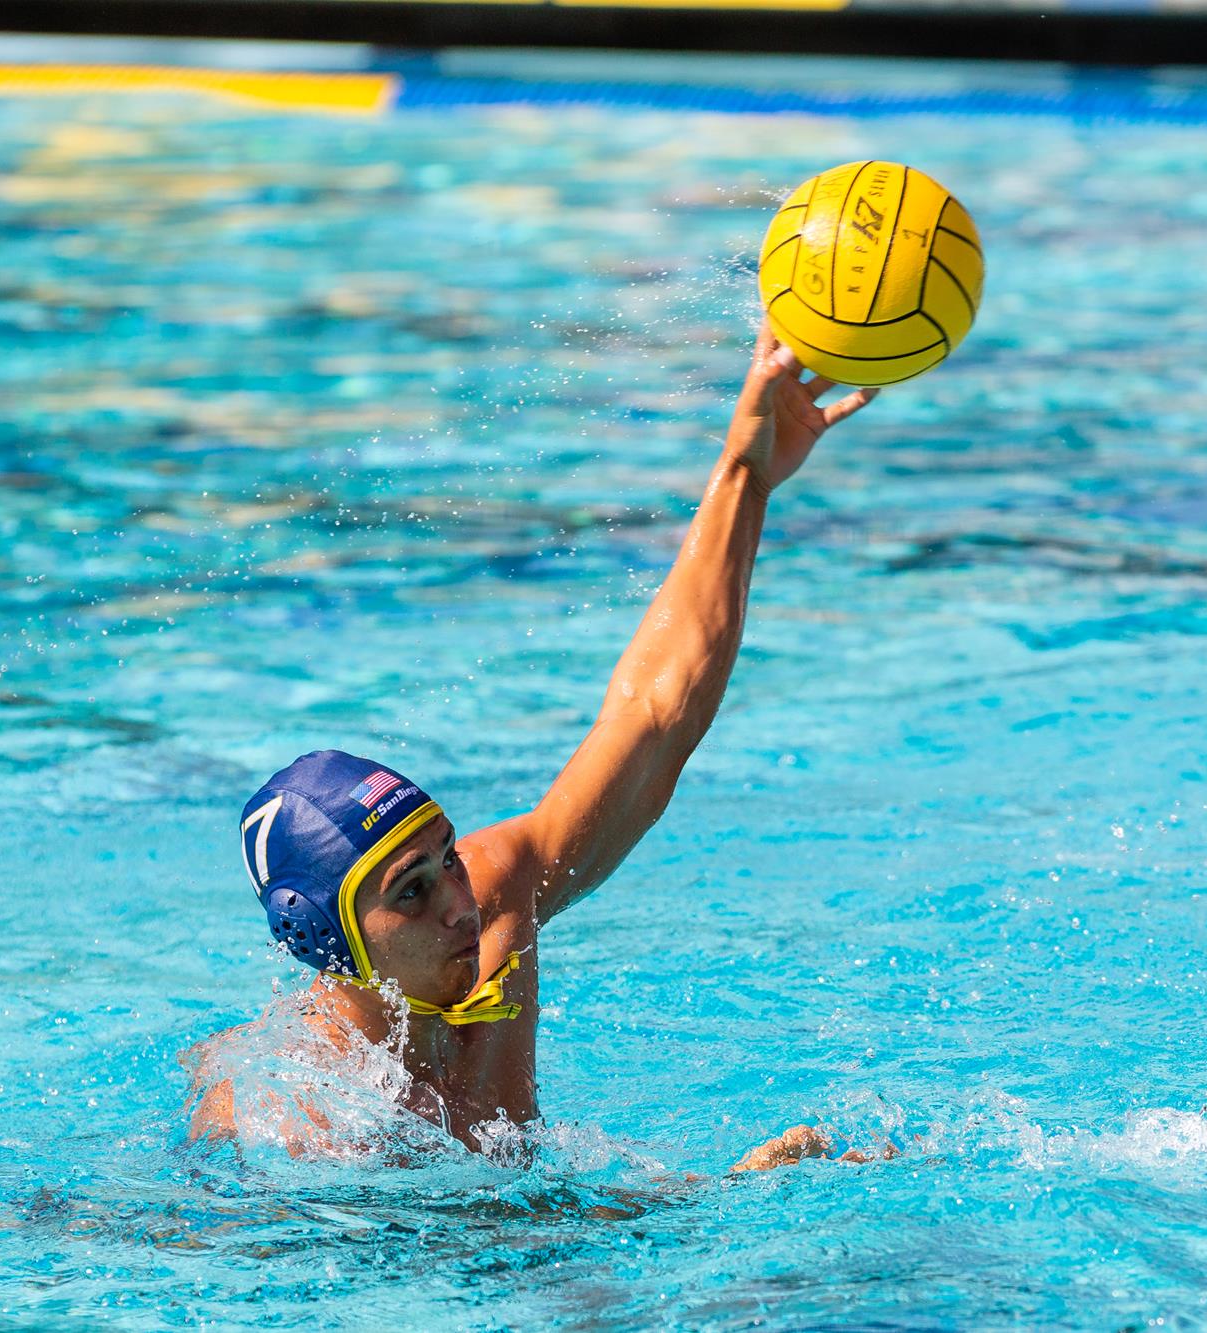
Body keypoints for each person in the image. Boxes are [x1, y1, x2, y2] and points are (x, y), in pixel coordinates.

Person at [187, 320, 889, 1173]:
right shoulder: (310, 1124)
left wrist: (747, 473)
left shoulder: (493, 904)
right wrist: (729, 1193)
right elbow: (505, 1242)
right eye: (411, 891)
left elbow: (654, 714)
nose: (460, 902)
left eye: (447, 857)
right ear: (334, 946)